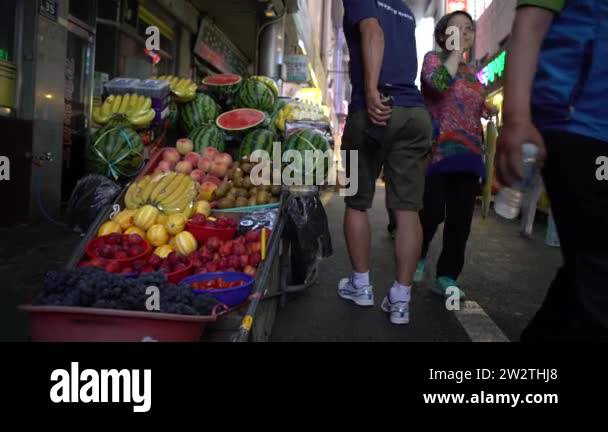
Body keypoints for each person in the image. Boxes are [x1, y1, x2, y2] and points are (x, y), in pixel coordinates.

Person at [497, 0, 608, 341]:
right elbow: (531, 21)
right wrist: (515, 119)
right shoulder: (436, 63)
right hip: (576, 120)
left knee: (590, 272)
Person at [339, 0, 432, 325]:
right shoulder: (404, 9)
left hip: (374, 110)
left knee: (356, 201)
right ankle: (401, 301)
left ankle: (361, 286)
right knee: (408, 211)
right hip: (414, 113)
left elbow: (372, 32)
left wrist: (370, 90)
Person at [415, 11, 495, 298]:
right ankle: (418, 254)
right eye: (455, 28)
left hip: (471, 154)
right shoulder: (433, 60)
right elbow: (438, 85)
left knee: (460, 220)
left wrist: (487, 109)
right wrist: (454, 53)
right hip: (439, 153)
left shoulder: (474, 71)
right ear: (442, 35)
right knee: (432, 211)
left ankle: (447, 275)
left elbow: (472, 103)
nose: (464, 31)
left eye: (468, 28)